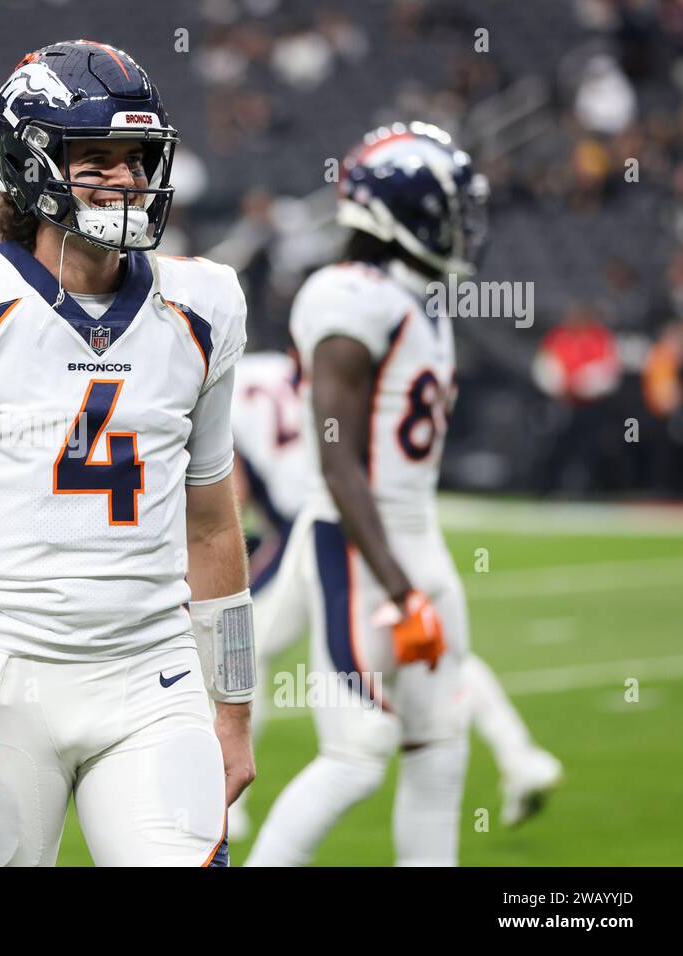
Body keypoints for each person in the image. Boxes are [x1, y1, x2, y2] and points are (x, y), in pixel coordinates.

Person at [0, 40, 254, 866]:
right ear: (31, 163)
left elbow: (215, 528)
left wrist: (234, 709)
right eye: (98, 158)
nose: (125, 179)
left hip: (153, 675)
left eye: (137, 157)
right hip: (0, 674)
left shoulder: (203, 304)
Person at [247, 122, 493, 866]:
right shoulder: (350, 295)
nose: (463, 227)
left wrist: (416, 582)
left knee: (441, 744)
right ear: (406, 211)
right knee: (359, 753)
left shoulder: (416, 296)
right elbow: (338, 460)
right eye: (451, 208)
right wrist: (398, 587)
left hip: (418, 541)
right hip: (360, 548)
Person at [223, 349, 561, 843]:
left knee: (243, 654)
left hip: (323, 524)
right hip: (369, 516)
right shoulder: (299, 365)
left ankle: (230, 804)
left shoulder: (232, 382)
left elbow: (232, 488)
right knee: (430, 648)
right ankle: (520, 754)